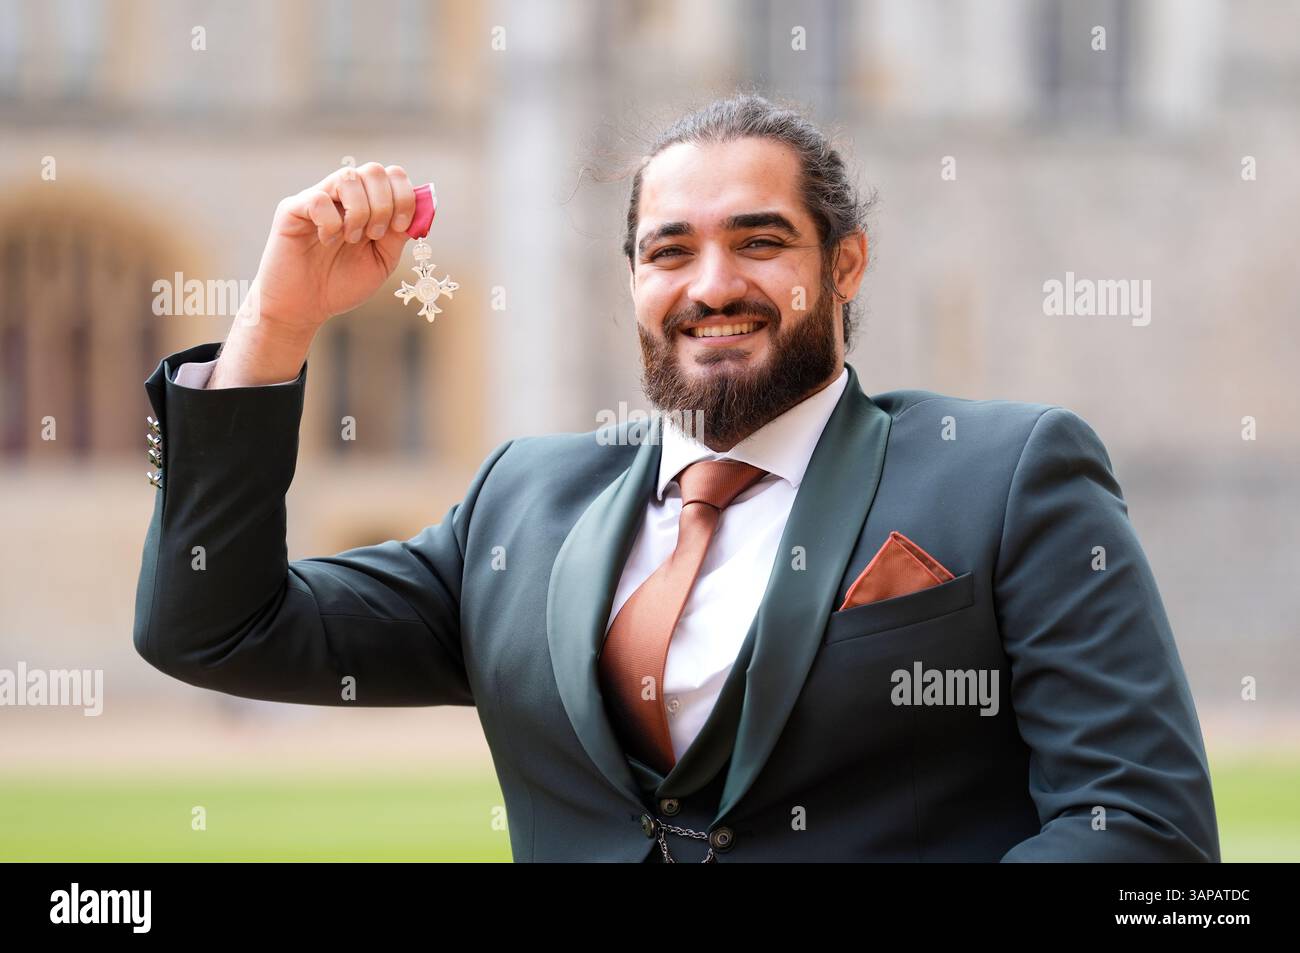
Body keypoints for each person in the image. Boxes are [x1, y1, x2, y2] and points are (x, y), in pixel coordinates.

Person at [133, 94, 1220, 862]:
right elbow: (216, 627)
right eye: (669, 250)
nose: (712, 285)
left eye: (760, 242)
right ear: (633, 279)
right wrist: (275, 325)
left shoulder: (1008, 472)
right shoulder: (525, 500)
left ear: (842, 265)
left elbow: (1137, 824)